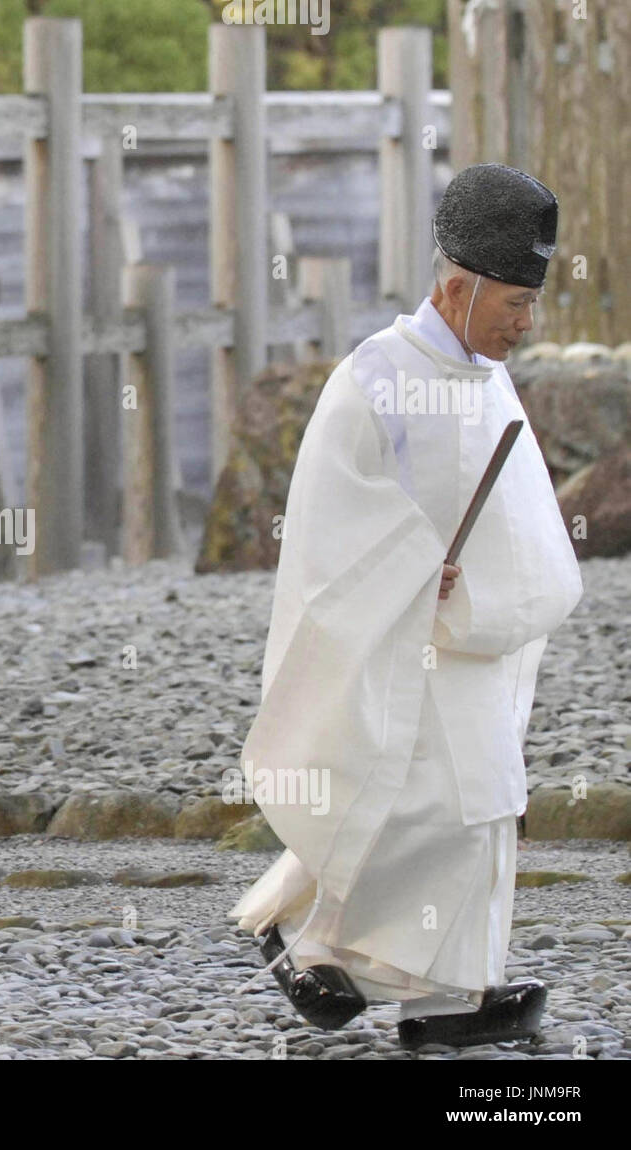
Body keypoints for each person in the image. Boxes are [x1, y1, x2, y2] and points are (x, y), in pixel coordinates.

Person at [227, 163, 584, 1049]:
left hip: (471, 642)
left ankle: (383, 975)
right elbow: (332, 514)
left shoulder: (485, 374)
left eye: (531, 304)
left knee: (474, 804)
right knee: (422, 807)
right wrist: (420, 571)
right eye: (513, 303)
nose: (525, 322)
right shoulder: (375, 377)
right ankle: (382, 978)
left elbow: (518, 508)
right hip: (400, 640)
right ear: (457, 288)